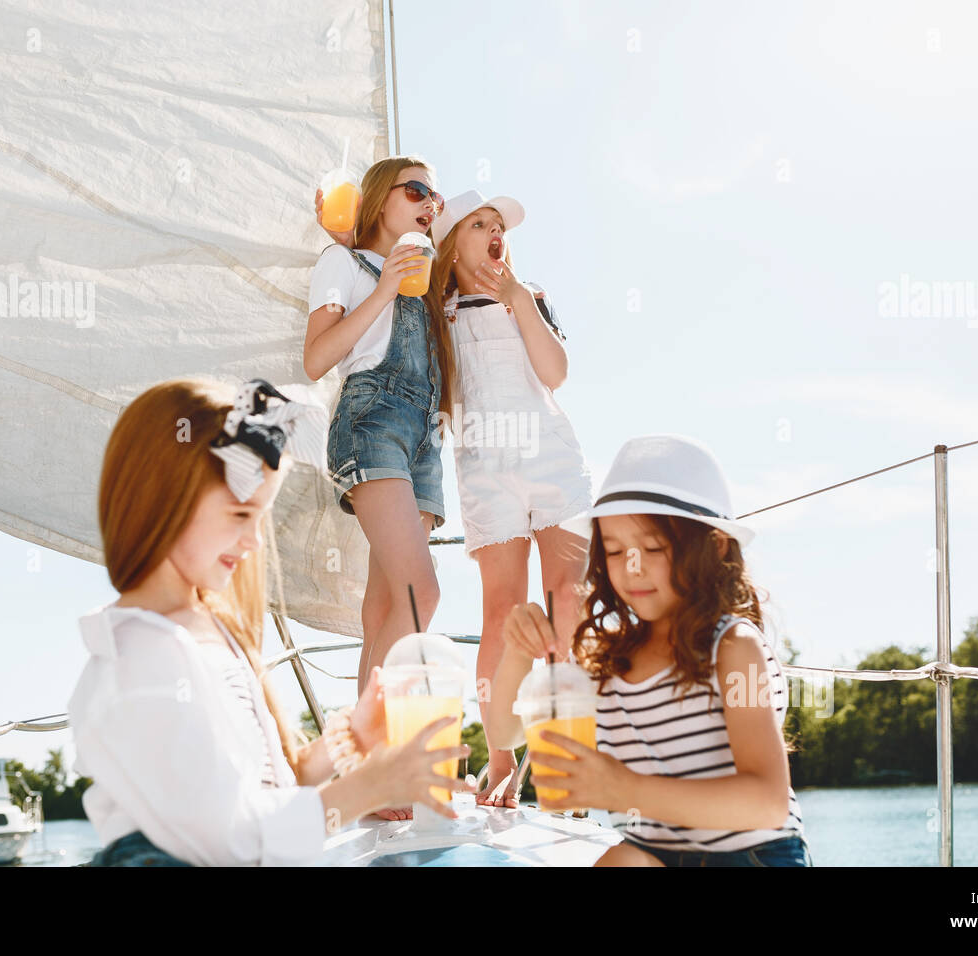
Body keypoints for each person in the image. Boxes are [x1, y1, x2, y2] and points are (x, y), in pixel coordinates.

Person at [68, 377, 470, 866]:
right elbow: (229, 842)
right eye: (241, 515)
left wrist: (355, 738)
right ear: (161, 501)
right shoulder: (142, 656)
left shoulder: (211, 631)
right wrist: (368, 789)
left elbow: (277, 780)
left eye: (261, 520)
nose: (256, 542)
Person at [486, 435, 812, 866]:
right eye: (616, 551)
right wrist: (517, 652)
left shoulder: (736, 650)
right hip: (654, 853)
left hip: (751, 855)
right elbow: (504, 733)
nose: (631, 567)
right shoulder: (606, 661)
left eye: (653, 548)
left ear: (713, 547)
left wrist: (623, 790)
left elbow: (766, 804)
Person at [426, 190, 593, 807]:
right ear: (454, 242)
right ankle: (501, 762)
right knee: (502, 612)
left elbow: (555, 374)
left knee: (566, 605)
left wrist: (520, 299)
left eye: (500, 227)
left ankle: (562, 760)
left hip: (550, 458)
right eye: (480, 224)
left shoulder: (531, 298)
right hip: (485, 467)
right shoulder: (435, 312)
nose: (496, 233)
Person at [305, 157, 457, 700]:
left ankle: (361, 754)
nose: (430, 205)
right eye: (417, 191)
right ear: (378, 196)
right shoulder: (343, 263)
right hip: (372, 420)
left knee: (388, 604)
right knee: (423, 593)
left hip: (423, 438)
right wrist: (383, 287)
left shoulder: (428, 280)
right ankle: (374, 740)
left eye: (434, 200)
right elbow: (317, 358)